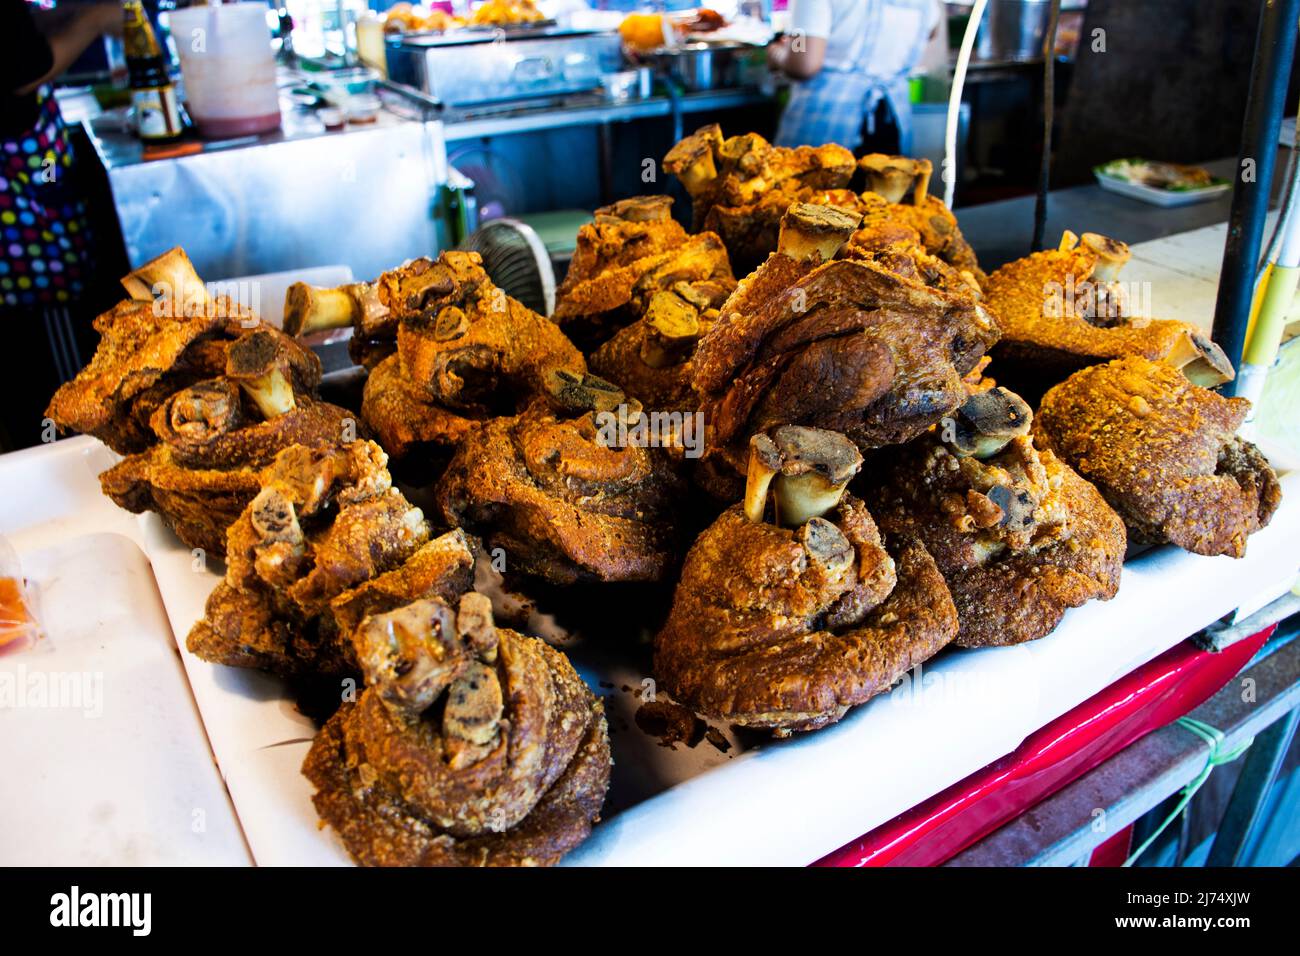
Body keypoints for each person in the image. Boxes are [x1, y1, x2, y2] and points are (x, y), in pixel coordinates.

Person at [1, 0, 121, 449]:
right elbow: (18, 64)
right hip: (27, 255)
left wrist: (71, 13)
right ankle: (68, 460)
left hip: (35, 196)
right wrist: (95, 18)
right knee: (61, 393)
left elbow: (22, 31)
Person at [768, 0, 939, 154]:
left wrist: (778, 53)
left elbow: (802, 61)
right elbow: (932, 30)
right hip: (890, 121)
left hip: (826, 131)